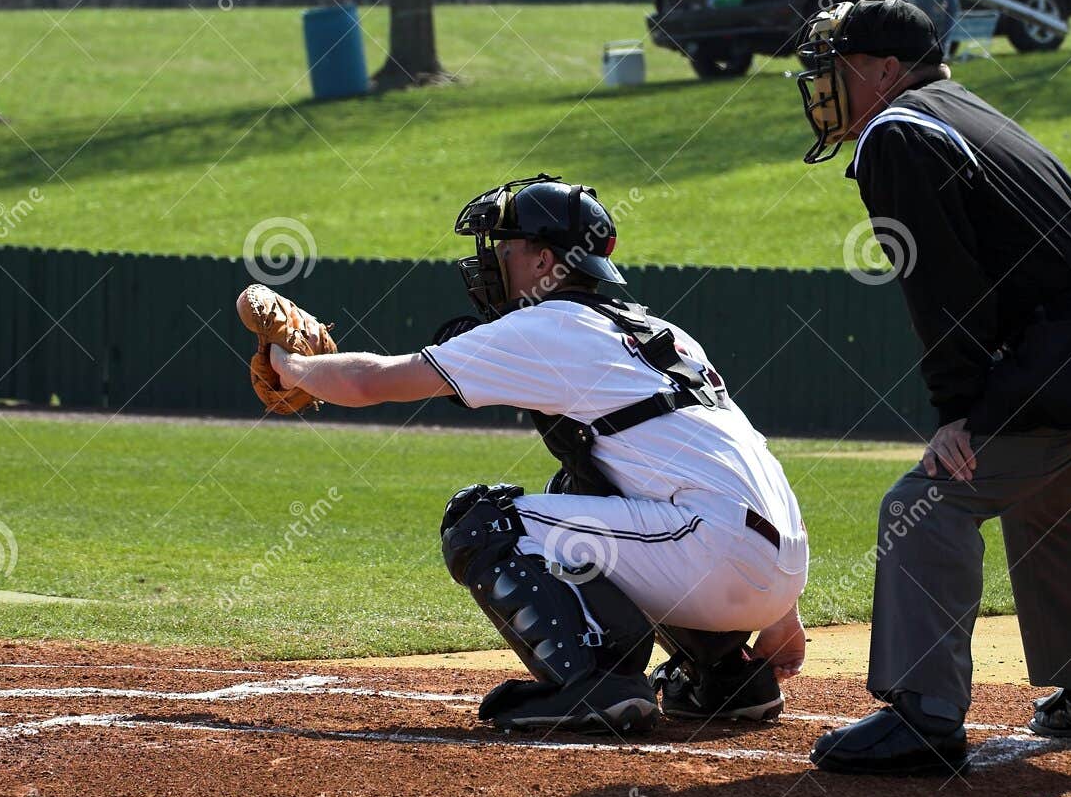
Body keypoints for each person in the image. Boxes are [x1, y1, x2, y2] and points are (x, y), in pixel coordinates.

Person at [792, 0, 1071, 775]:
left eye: (837, 66)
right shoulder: (964, 109)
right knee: (1045, 503)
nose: (823, 84)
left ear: (884, 70)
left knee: (926, 503)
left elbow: (942, 280)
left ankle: (923, 715)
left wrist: (958, 411)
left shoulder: (898, 130)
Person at [266, 175, 809, 734]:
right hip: (773, 558)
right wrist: (779, 610)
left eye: (506, 249)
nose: (493, 263)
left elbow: (376, 381)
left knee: (482, 523)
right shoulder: (663, 333)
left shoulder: (546, 325)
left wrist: (294, 368)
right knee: (574, 492)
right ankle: (727, 679)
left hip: (714, 552)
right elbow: (733, 465)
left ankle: (597, 683)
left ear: (545, 260)